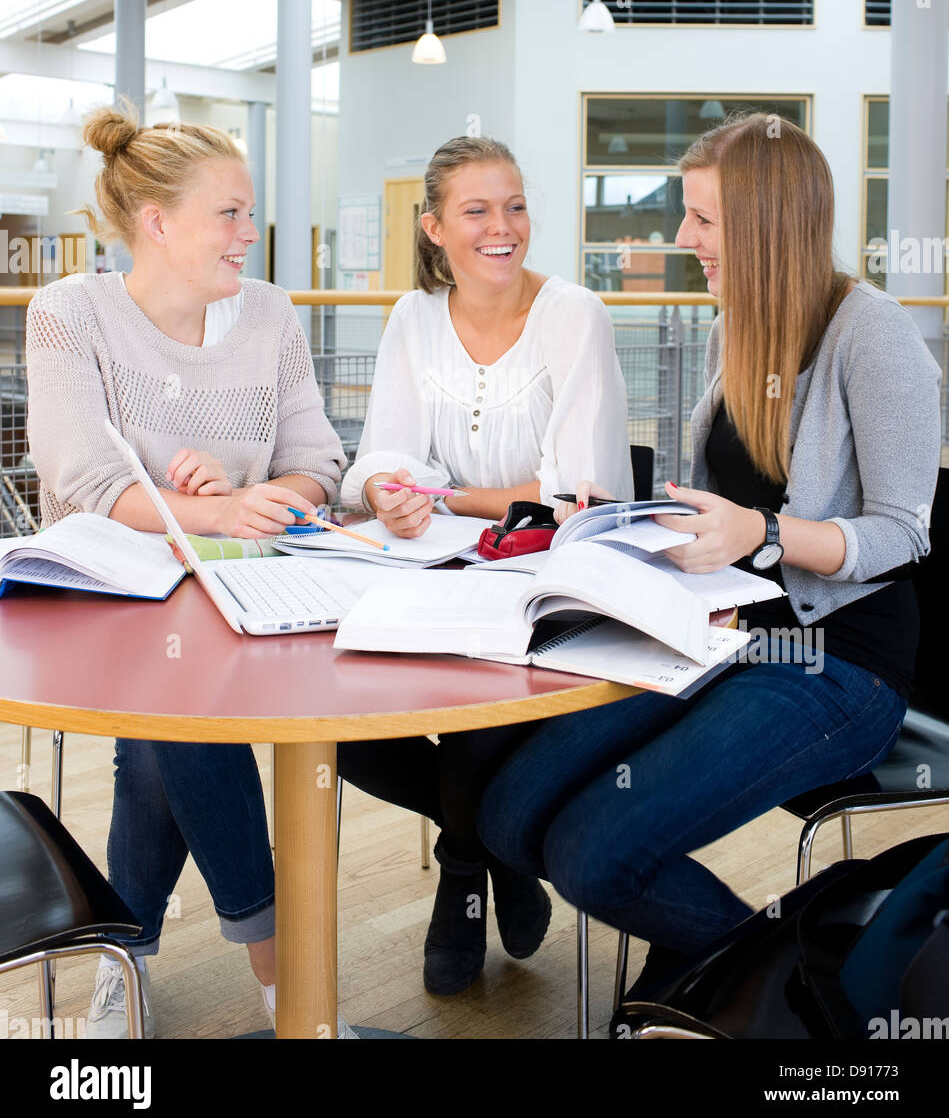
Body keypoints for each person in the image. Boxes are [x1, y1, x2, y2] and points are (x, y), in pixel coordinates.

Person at [477, 112, 942, 997]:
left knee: (595, 855)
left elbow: (904, 533)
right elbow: (717, 500)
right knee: (506, 814)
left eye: (702, 218)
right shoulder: (745, 323)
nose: (681, 236)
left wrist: (762, 536)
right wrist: (627, 521)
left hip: (835, 663)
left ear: (767, 223)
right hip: (720, 632)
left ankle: (783, 993)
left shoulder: (869, 333)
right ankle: (700, 958)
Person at [26, 105, 349, 1037]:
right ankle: (278, 958)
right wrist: (210, 512)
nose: (250, 235)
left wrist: (255, 501)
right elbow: (83, 481)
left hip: (247, 588)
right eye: (230, 214)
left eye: (249, 216)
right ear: (157, 223)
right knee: (181, 718)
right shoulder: (70, 312)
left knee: (158, 747)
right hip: (106, 597)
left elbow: (317, 463)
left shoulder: (272, 315)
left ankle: (120, 952)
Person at [335, 134, 633, 995]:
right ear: (434, 227)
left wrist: (450, 496)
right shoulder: (411, 319)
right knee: (349, 732)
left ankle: (461, 870)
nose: (501, 227)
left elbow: (579, 492)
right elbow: (380, 457)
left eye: (514, 206)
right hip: (426, 570)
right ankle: (501, 850)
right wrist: (391, 489)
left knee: (475, 719)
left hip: (538, 581)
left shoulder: (572, 312)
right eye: (476, 210)